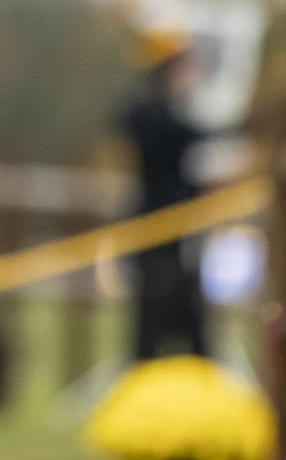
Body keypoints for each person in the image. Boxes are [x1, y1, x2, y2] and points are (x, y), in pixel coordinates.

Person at [123, 28, 207, 359]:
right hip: (158, 238)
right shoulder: (151, 116)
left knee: (191, 325)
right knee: (152, 325)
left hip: (182, 238)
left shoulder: (175, 116)